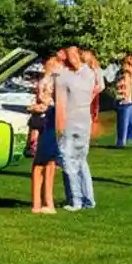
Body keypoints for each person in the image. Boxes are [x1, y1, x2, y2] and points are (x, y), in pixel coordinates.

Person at [54, 46, 100, 210]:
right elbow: (99, 84)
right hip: (80, 120)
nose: (71, 58)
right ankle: (88, 200)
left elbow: (59, 93)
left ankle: (76, 200)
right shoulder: (88, 72)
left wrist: (59, 62)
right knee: (79, 161)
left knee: (69, 159)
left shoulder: (71, 76)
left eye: (73, 55)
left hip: (74, 121)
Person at [30, 57, 62, 213]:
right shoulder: (49, 81)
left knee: (45, 164)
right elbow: (43, 101)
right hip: (48, 122)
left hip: (50, 121)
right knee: (45, 163)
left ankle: (41, 202)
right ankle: (45, 203)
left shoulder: (51, 81)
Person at [116, 55, 132, 147]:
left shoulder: (129, 75)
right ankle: (121, 142)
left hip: (129, 102)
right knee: (123, 124)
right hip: (124, 102)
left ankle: (125, 141)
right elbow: (121, 88)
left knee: (129, 123)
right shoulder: (122, 75)